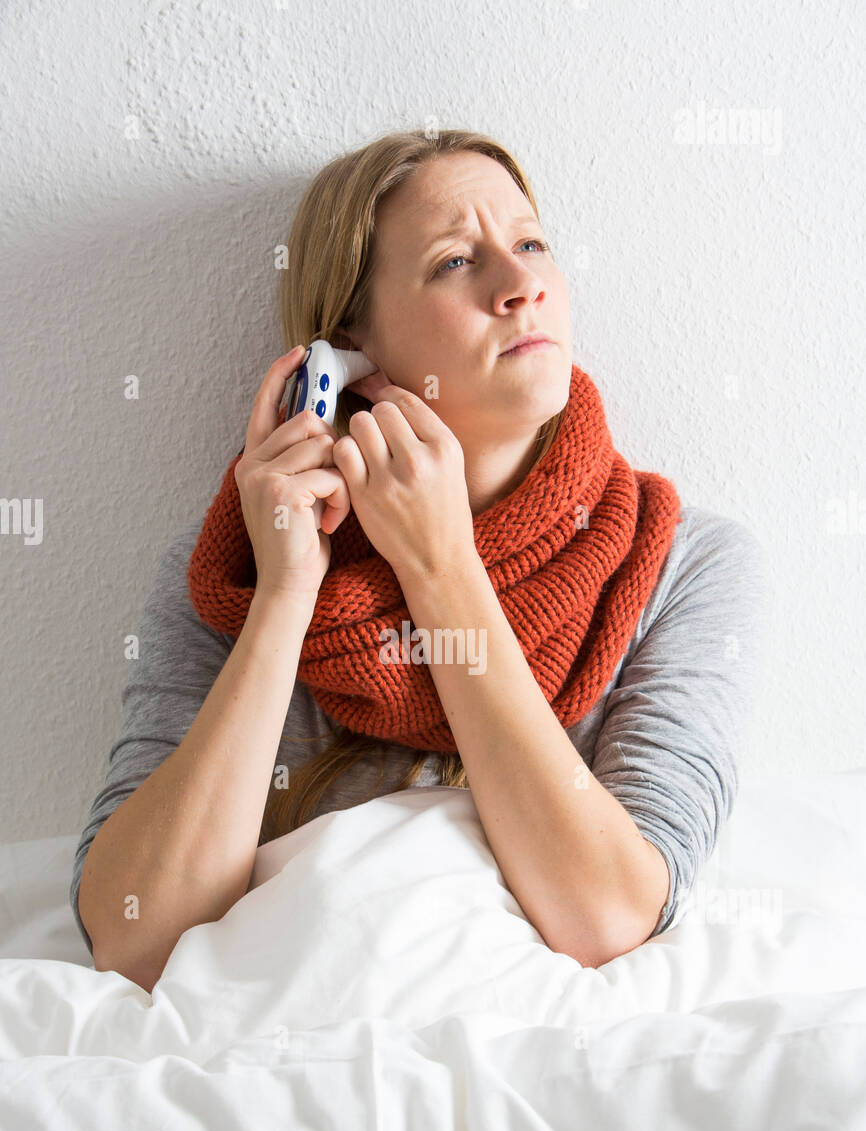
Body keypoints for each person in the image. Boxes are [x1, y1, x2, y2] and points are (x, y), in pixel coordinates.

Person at [70, 128, 773, 993]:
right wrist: (287, 595)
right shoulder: (238, 569)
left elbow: (612, 916)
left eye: (529, 243)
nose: (522, 286)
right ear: (349, 351)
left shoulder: (683, 565)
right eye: (453, 263)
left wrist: (440, 567)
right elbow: (134, 937)